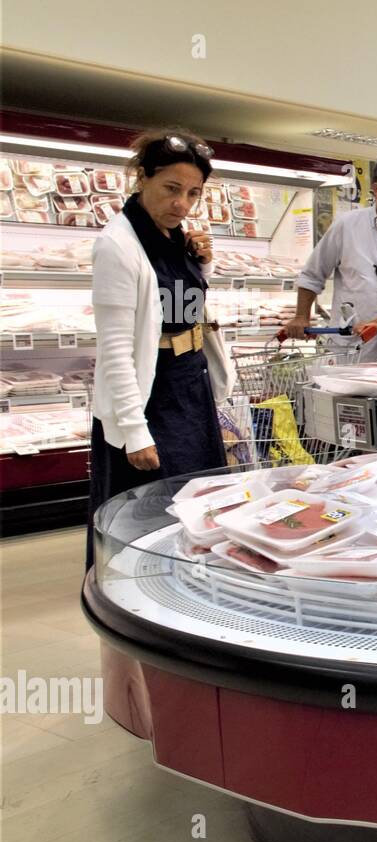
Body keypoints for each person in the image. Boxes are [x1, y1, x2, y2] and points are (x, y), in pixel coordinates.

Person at [87, 129, 232, 569]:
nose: (182, 204)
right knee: (142, 522)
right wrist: (134, 430)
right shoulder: (119, 245)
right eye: (172, 189)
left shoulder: (176, 238)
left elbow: (186, 307)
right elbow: (114, 348)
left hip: (190, 389)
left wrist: (202, 262)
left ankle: (190, 600)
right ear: (143, 178)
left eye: (193, 193)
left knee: (193, 511)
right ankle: (138, 616)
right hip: (150, 399)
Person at [285, 155, 377, 362]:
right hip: (352, 352)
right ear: (376, 189)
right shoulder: (347, 226)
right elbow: (312, 275)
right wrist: (301, 316)